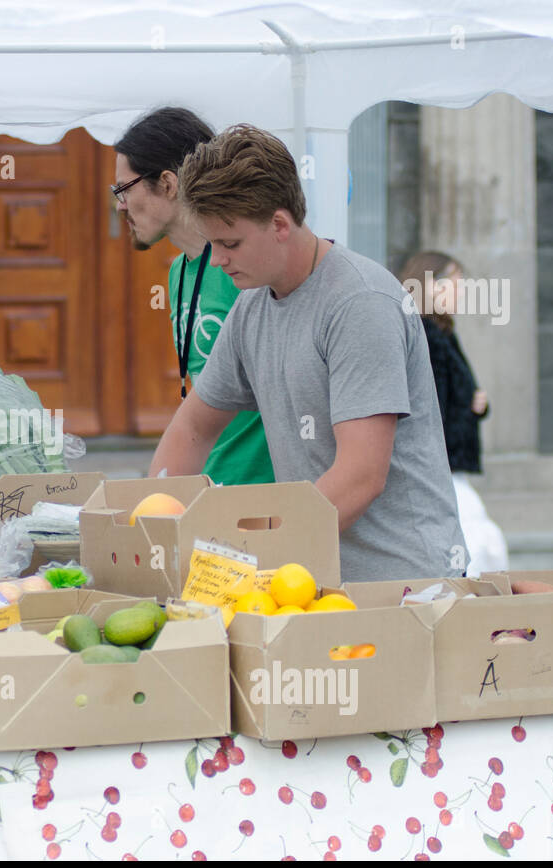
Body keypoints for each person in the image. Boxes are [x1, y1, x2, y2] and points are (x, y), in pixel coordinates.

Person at [149, 125, 467, 582]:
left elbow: (361, 475)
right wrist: (150, 522)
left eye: (229, 243)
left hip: (401, 584)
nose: (215, 260)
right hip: (313, 576)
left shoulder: (360, 303)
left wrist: (262, 553)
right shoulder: (251, 307)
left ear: (280, 224)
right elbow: (194, 427)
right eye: (211, 243)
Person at [114, 108, 274, 486]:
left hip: (264, 494)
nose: (119, 205)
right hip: (209, 483)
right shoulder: (177, 272)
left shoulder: (245, 265)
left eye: (123, 189)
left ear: (167, 184)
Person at [399, 251, 509, 575]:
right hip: (439, 464)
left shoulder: (441, 332)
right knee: (480, 544)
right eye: (456, 284)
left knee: (477, 543)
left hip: (446, 463)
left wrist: (477, 404)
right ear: (430, 285)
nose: (461, 293)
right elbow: (429, 404)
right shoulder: (426, 334)